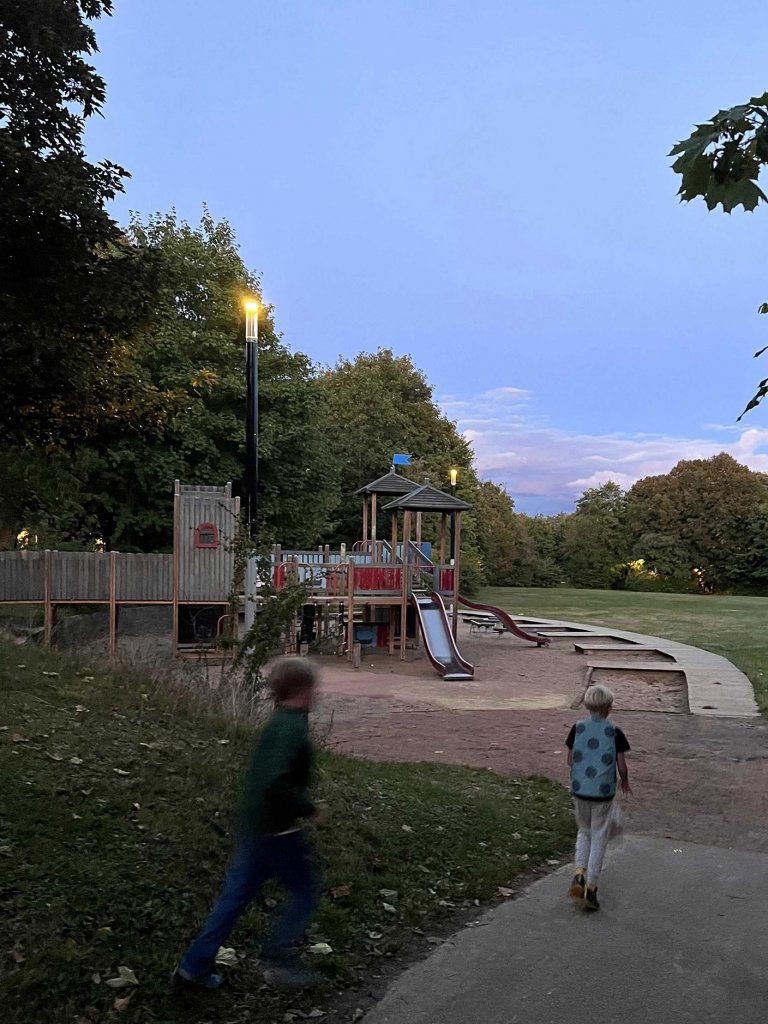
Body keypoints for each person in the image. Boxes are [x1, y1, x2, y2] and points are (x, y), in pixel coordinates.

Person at [175, 658, 324, 990]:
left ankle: (194, 965)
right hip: (278, 831)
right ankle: (277, 952)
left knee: (234, 897)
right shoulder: (292, 728)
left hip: (253, 826)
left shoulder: (279, 721)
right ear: (303, 690)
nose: (317, 694)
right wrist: (307, 806)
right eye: (314, 688)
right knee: (304, 891)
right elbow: (274, 781)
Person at [565, 683, 631, 912]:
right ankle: (591, 887)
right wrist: (625, 781)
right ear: (609, 708)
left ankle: (579, 872)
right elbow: (621, 764)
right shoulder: (615, 731)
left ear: (587, 705)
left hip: (580, 789)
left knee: (583, 832)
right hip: (602, 792)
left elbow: (570, 760)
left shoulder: (577, 728)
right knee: (599, 836)